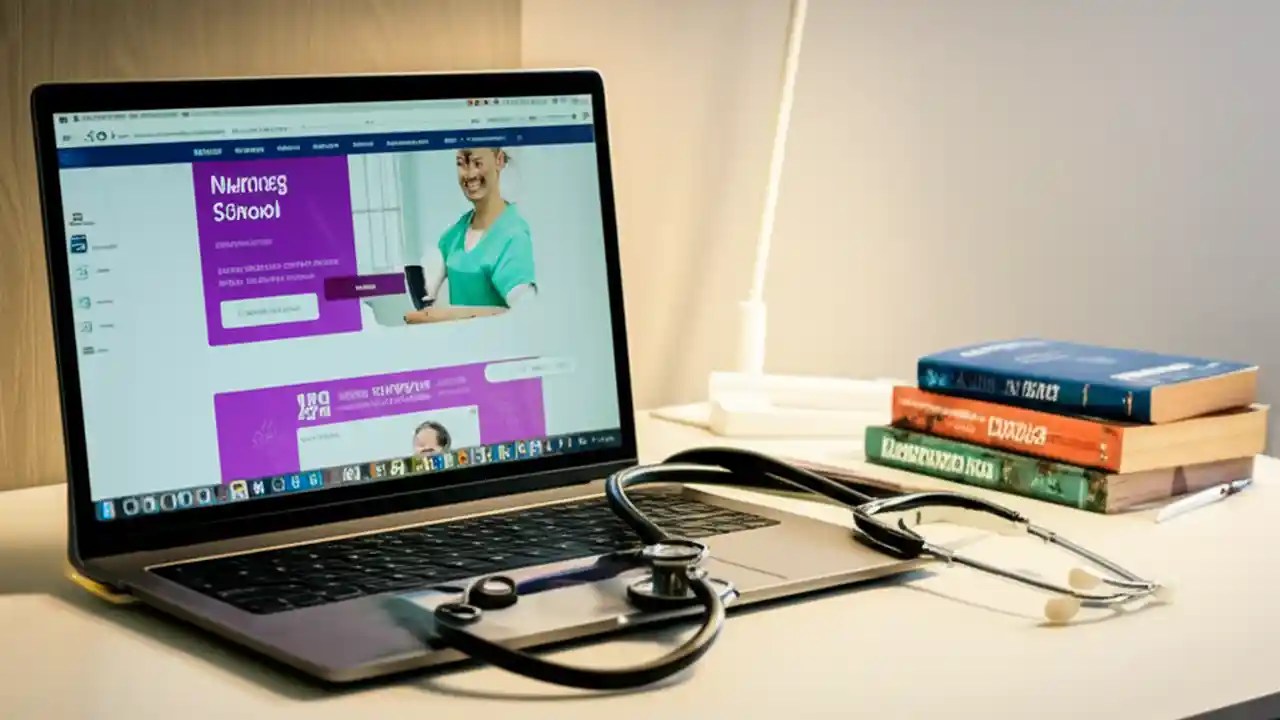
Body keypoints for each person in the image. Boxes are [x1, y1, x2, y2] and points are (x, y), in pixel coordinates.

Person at [404, 147, 536, 324]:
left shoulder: (512, 235)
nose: (470, 174)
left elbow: (526, 313)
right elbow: (425, 288)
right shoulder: (456, 233)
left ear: (499, 160)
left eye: (477, 163)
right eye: (461, 164)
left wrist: (451, 316)